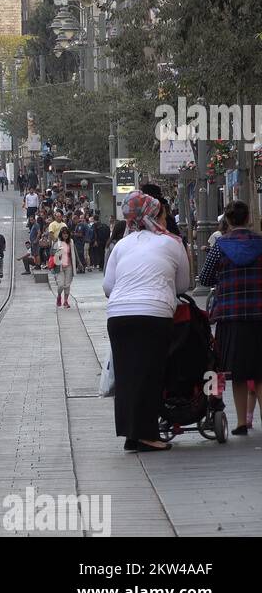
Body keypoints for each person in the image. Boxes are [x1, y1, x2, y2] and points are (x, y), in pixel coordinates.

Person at [103, 192, 190, 452]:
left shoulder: (122, 244)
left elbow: (108, 285)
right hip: (153, 314)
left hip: (118, 314)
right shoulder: (172, 243)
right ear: (156, 214)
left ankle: (132, 433)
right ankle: (147, 434)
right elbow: (184, 284)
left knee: (128, 375)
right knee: (150, 374)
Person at [198, 200, 262, 436]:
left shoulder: (220, 245)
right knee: (259, 371)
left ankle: (241, 424)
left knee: (238, 372)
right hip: (259, 313)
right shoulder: (261, 242)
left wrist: (224, 281)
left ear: (227, 220)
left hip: (231, 314)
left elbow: (204, 278)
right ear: (248, 219)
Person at [52, 227, 74, 308]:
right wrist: (59, 251)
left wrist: (79, 263)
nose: (66, 235)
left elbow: (74, 253)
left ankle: (65, 301)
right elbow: (53, 255)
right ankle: (59, 296)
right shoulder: (57, 243)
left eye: (67, 233)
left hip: (69, 266)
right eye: (64, 233)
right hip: (60, 266)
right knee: (61, 285)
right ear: (61, 234)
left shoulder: (71, 242)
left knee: (67, 285)